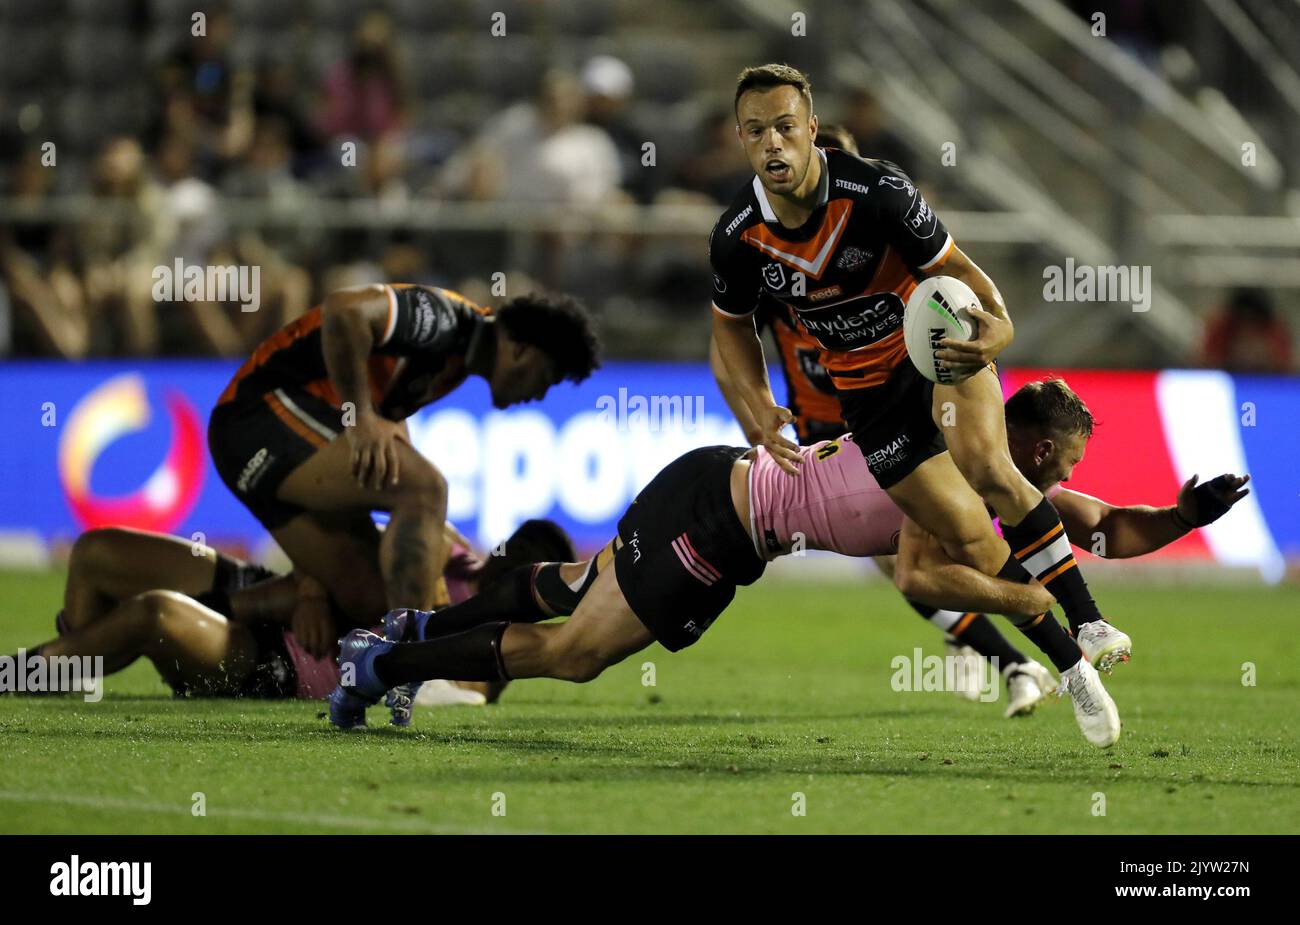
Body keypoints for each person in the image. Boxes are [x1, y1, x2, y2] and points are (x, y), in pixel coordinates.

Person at [707, 64, 1118, 682]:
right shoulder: (737, 237)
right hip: (866, 402)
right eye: (756, 130)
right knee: (967, 545)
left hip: (935, 355)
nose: (772, 143)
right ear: (740, 138)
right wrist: (759, 404)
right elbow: (730, 326)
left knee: (987, 466)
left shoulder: (879, 193)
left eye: (786, 127)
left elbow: (963, 272)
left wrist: (999, 328)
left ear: (812, 129)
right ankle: (1063, 670)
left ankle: (1089, 621)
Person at [207, 282, 599, 629]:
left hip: (257, 444)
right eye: (546, 378)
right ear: (521, 350)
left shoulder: (451, 366)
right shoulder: (444, 321)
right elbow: (344, 310)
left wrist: (313, 585)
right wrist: (359, 415)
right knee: (425, 489)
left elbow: (376, 461)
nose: (539, 395)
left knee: (369, 597)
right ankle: (414, 664)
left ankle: (176, 619)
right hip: (255, 416)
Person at [4, 520, 574, 712]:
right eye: (509, 552)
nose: (497, 566)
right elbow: (340, 544)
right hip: (275, 589)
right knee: (96, 553)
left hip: (273, 659)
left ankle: (28, 671)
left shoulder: (489, 654)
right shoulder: (443, 547)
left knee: (153, 614)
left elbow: (454, 691)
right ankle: (77, 666)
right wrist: (309, 590)